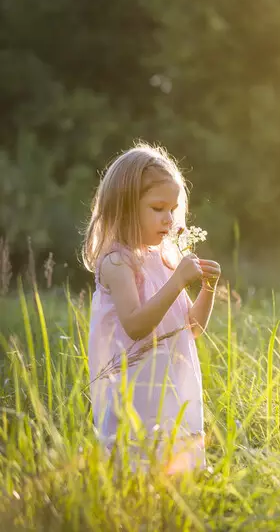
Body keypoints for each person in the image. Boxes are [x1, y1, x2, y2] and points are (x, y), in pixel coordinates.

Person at [82, 142, 221, 475]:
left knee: (173, 461)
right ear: (126, 208)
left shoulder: (164, 260)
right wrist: (177, 283)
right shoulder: (118, 262)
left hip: (170, 379)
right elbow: (135, 326)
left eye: (172, 209)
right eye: (158, 208)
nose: (168, 219)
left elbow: (193, 329)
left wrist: (207, 288)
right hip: (136, 382)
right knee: (136, 459)